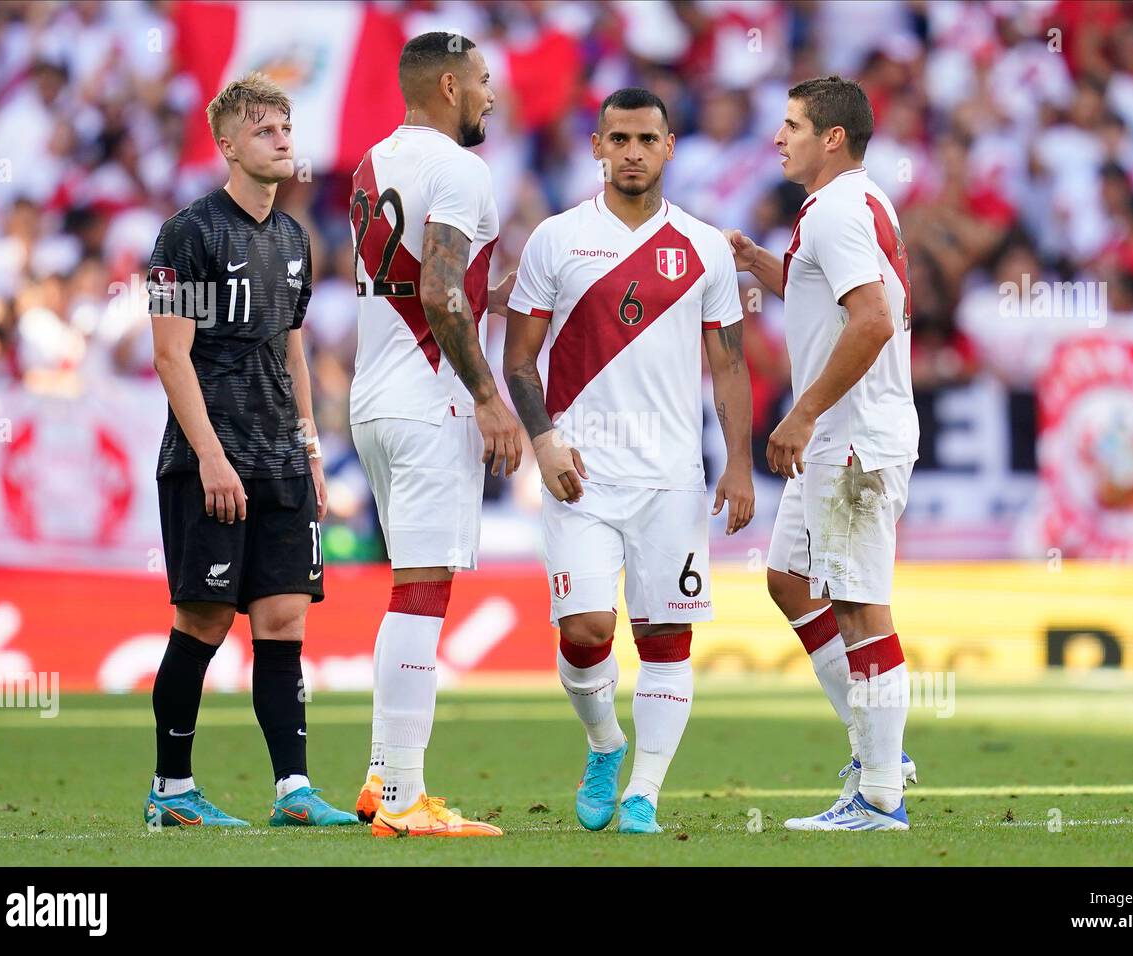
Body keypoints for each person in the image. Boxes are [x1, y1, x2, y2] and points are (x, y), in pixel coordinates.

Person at [503, 88, 754, 835]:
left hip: (672, 479)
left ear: (670, 146)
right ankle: (605, 743)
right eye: (619, 138)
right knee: (583, 629)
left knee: (666, 639)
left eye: (648, 138)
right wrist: (544, 441)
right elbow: (519, 360)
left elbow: (730, 365)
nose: (633, 151)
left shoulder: (706, 246)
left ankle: (644, 792)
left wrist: (737, 461)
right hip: (579, 469)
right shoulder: (555, 238)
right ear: (598, 148)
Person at [145, 73, 355, 828]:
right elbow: (172, 356)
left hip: (280, 461)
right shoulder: (189, 233)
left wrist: (311, 447)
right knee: (202, 624)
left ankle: (293, 791)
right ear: (226, 144)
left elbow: (292, 351)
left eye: (287, 127)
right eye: (264, 130)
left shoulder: (297, 239)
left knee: (284, 626)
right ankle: (171, 791)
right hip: (211, 459)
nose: (282, 139)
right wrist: (210, 456)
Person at [725, 76, 919, 831]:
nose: (779, 137)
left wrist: (802, 414)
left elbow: (870, 322)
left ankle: (879, 795)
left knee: (859, 603)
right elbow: (834, 301)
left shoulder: (836, 210)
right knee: (789, 581)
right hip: (846, 431)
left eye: (793, 124)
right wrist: (755, 260)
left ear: (831, 137)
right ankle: (879, 751)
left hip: (850, 435)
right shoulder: (853, 202)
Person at [348, 32, 521, 838]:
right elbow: (442, 291)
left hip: (376, 398)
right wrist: (489, 397)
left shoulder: (372, 162)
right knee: (422, 593)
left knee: (412, 588)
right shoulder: (461, 168)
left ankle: (384, 774)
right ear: (450, 85)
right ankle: (406, 797)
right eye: (484, 82)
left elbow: (423, 284)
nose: (491, 96)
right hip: (432, 400)